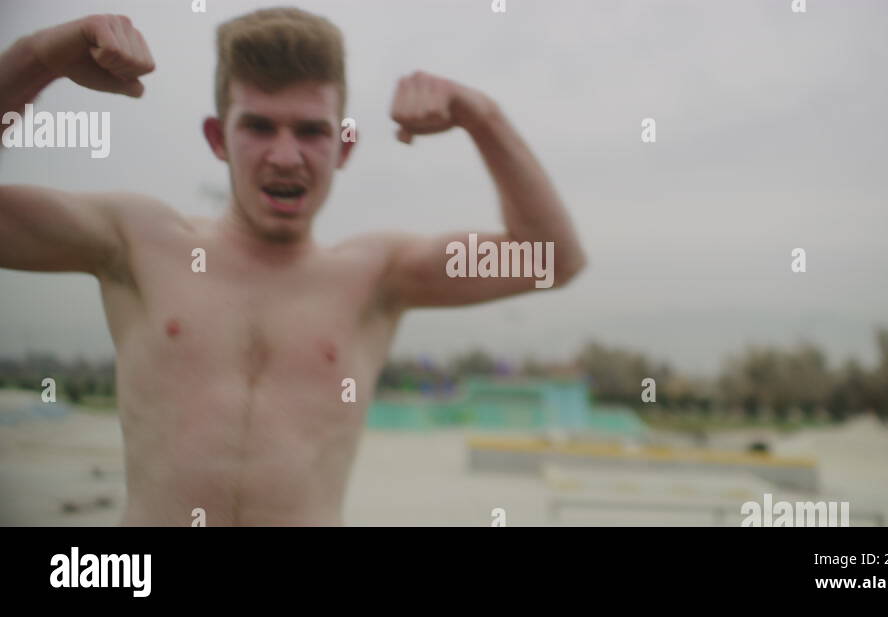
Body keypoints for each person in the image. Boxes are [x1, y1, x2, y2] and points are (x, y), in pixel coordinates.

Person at [0, 8, 586, 525]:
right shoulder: (136, 243)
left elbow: (553, 259)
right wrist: (37, 57)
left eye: (312, 131)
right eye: (258, 126)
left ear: (345, 147)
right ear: (217, 138)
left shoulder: (376, 275)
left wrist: (481, 115)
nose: (286, 157)